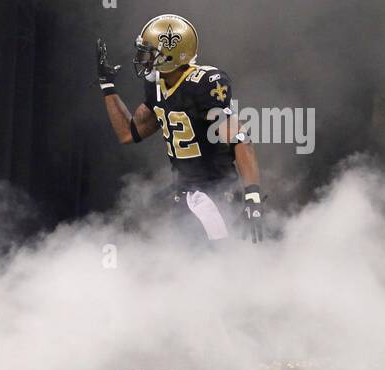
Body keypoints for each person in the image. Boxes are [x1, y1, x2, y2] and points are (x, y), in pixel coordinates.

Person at [97, 15, 263, 242]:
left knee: (219, 265)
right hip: (185, 196)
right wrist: (107, 87)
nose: (143, 58)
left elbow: (239, 139)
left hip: (216, 194)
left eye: (149, 51)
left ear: (170, 55)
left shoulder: (204, 83)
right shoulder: (156, 85)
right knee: (186, 267)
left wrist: (252, 194)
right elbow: (129, 132)